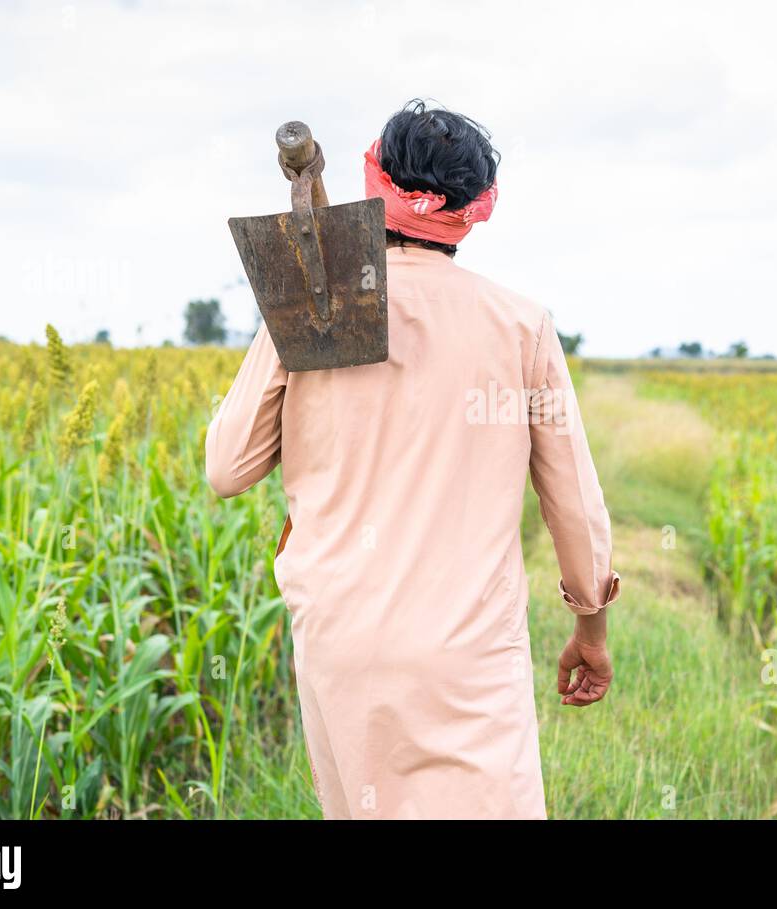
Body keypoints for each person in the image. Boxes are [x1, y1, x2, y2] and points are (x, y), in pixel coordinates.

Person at [205, 100, 620, 819]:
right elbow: (573, 503)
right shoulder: (521, 326)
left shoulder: (315, 307)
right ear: (475, 209)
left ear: (375, 179)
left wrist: (289, 345)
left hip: (337, 641)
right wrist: (590, 626)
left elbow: (228, 467)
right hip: (466, 652)